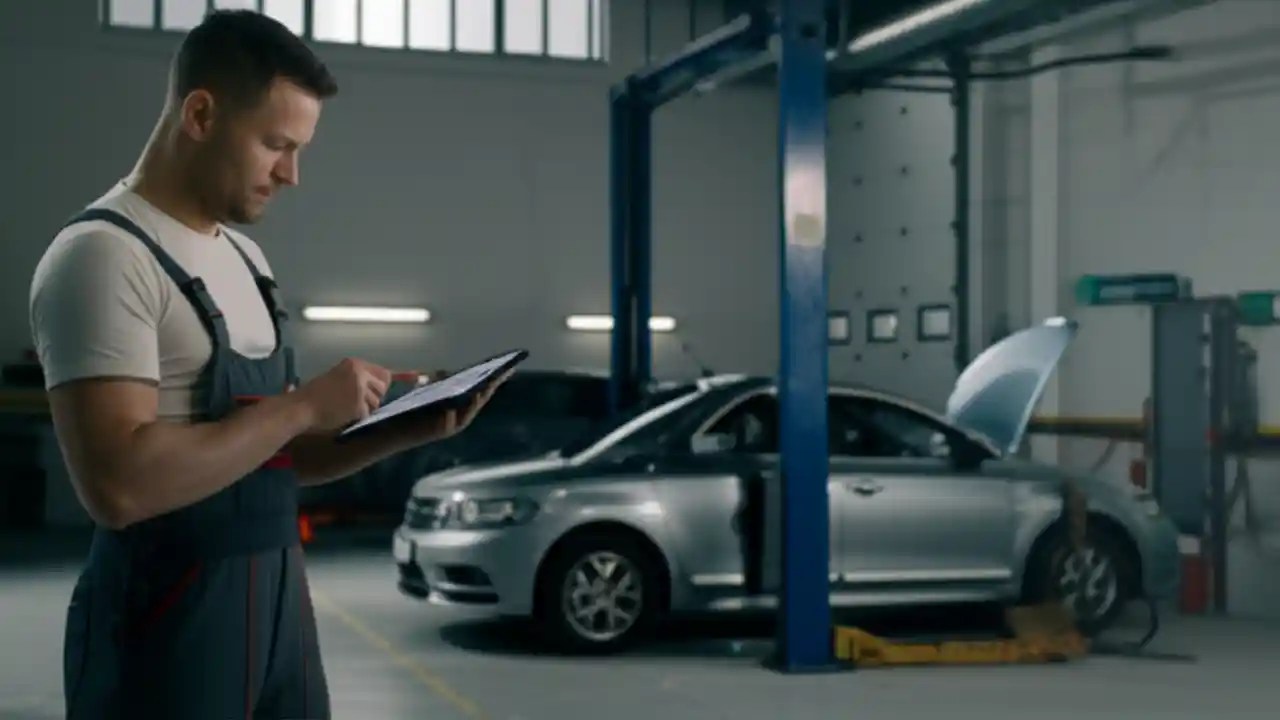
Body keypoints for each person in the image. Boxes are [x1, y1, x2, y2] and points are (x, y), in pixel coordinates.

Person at [28, 10, 506, 719]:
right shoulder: (104, 256)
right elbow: (118, 486)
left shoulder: (247, 260)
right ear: (200, 115)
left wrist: (402, 430)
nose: (292, 174)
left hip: (278, 601)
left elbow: (272, 457)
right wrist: (305, 405)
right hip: (165, 613)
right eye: (276, 145)